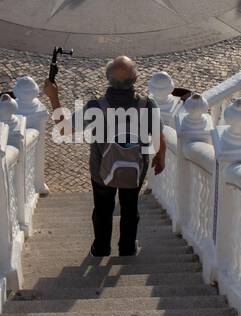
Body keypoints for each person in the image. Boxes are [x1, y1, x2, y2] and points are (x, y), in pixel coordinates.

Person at [43, 56, 167, 257]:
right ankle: (127, 249)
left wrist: (53, 96)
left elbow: (64, 129)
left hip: (101, 169)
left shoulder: (95, 107)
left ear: (108, 79)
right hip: (135, 168)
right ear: (135, 79)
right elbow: (159, 137)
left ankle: (101, 248)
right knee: (129, 207)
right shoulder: (147, 105)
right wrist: (160, 158)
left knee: (102, 209)